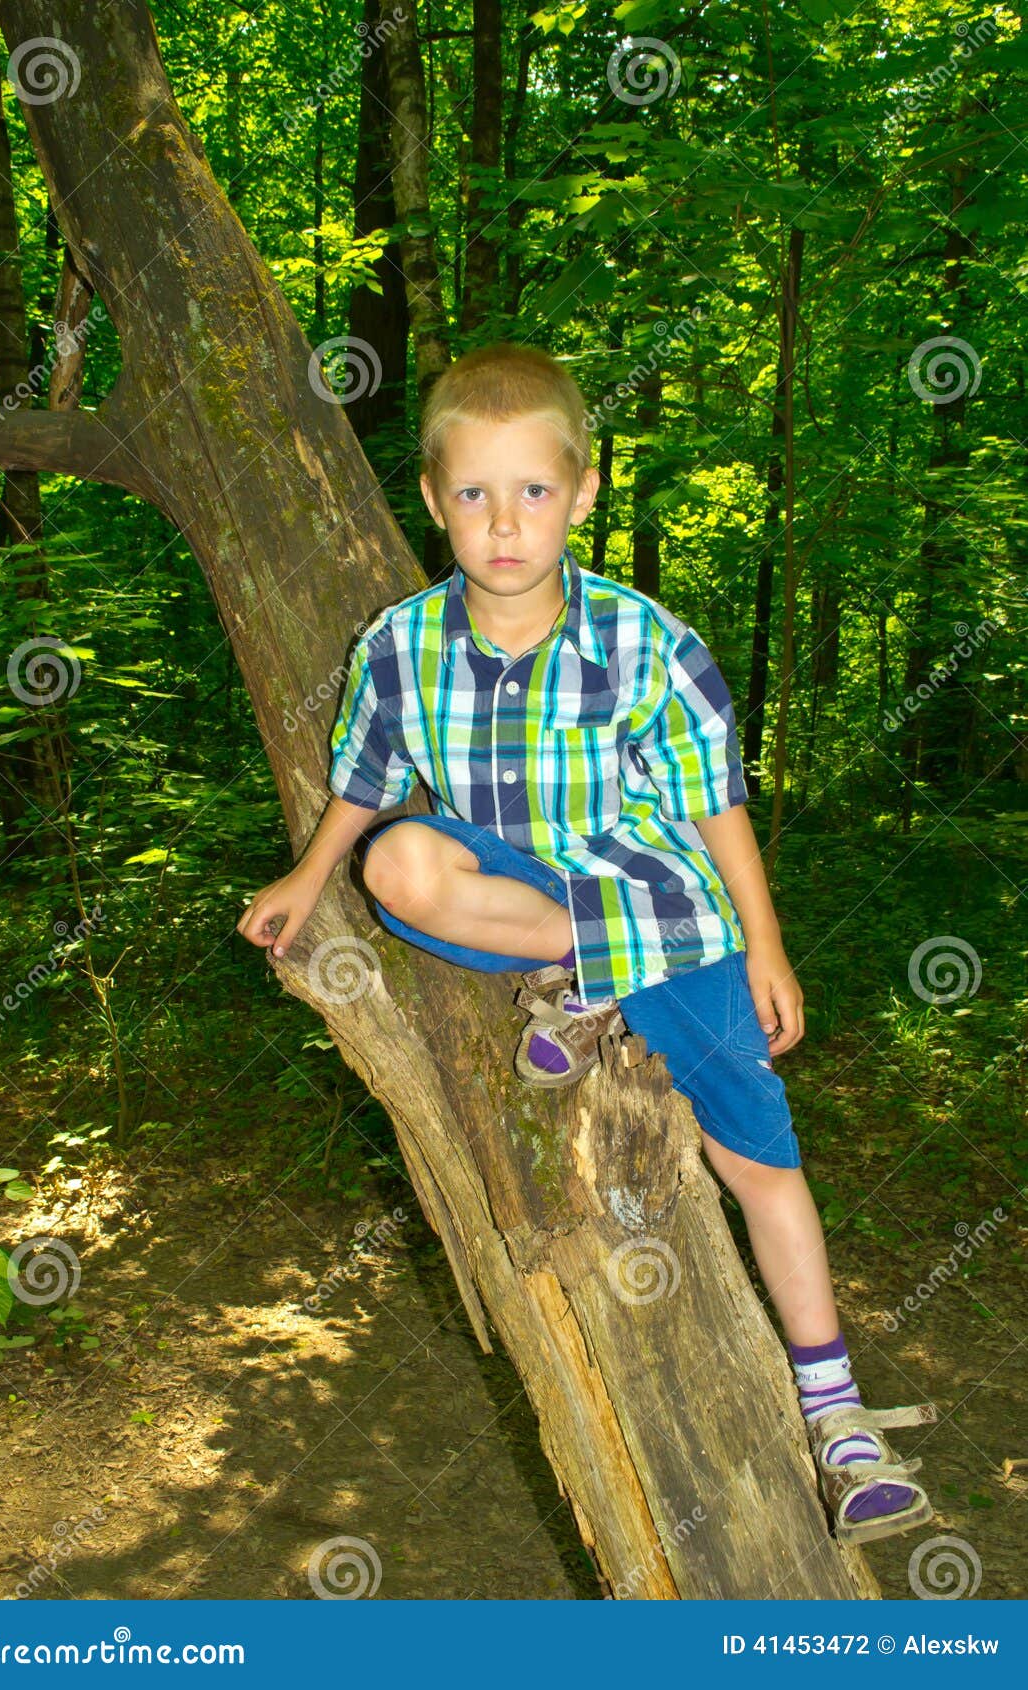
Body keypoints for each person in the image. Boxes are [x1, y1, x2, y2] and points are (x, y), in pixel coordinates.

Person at [237, 341, 937, 1547]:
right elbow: (360, 780)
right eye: (472, 493)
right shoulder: (399, 647)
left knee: (756, 1160)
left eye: (531, 492)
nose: (502, 525)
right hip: (522, 890)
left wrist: (765, 946)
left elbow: (716, 801)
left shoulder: (647, 644)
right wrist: (307, 874)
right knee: (398, 860)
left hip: (672, 911)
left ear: (583, 492)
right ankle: (573, 973)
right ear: (430, 499)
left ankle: (833, 1408)